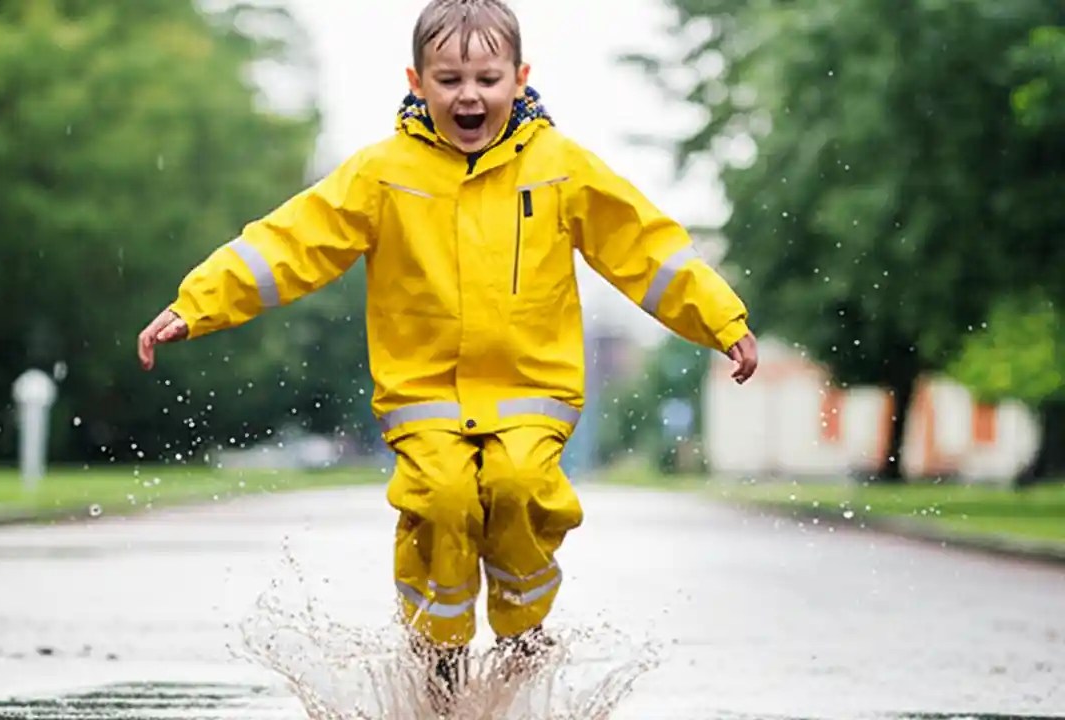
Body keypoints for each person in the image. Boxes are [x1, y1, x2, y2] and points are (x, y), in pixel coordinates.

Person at [137, 0, 758, 707]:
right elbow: (290, 242)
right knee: (443, 498)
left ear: (520, 78)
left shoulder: (562, 168)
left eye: (488, 78)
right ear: (418, 80)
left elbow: (644, 247)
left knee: (521, 487)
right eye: (450, 78)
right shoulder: (381, 174)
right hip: (423, 395)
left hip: (531, 393)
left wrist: (720, 318)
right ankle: (438, 646)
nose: (470, 95)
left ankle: (525, 629)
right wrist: (196, 305)